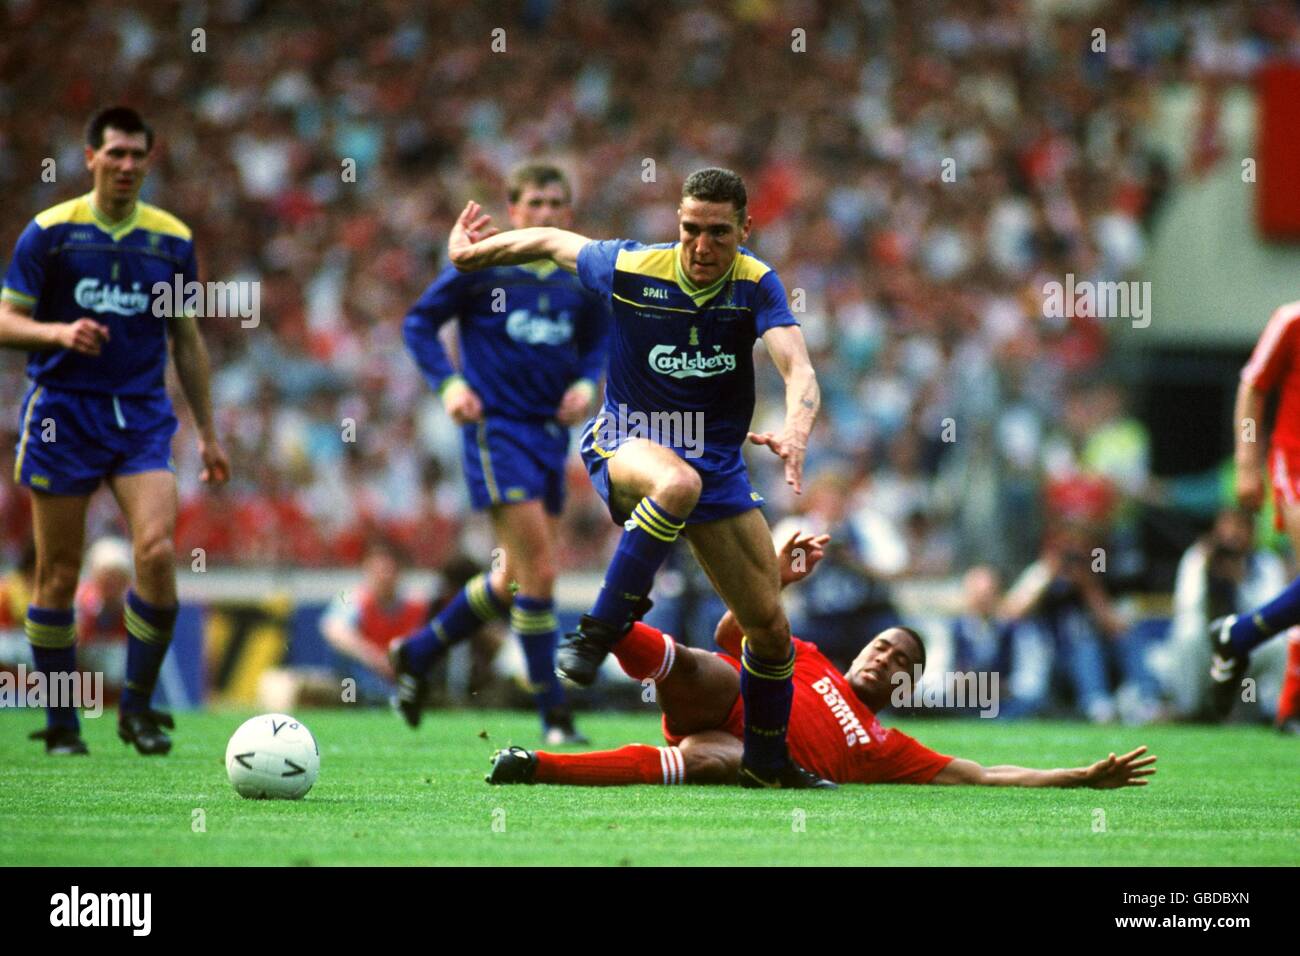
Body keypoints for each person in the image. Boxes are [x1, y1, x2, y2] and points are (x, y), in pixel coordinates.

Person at [445, 167, 825, 788]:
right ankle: (600, 629)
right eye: (690, 230)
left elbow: (799, 368)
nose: (702, 249)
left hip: (718, 466)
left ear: (746, 229)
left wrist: (796, 430)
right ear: (677, 223)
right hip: (630, 441)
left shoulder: (757, 285)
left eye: (719, 235)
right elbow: (547, 241)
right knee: (675, 486)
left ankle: (766, 763)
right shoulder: (631, 267)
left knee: (771, 631)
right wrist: (470, 256)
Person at [485, 532, 1157, 789]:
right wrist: (776, 578)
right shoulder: (810, 657)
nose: (883, 654)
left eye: (898, 657)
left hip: (741, 750)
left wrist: (1077, 776)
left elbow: (983, 775)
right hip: (728, 700)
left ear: (905, 682)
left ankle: (534, 767)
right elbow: (732, 628)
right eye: (881, 643)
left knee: (701, 765)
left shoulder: (885, 744)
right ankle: (598, 626)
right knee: (703, 664)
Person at [0, 106, 229, 755]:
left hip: (140, 415)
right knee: (57, 573)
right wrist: (56, 332)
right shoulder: (50, 233)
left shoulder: (170, 240)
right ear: (90, 156)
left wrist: (209, 433)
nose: (127, 165)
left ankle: (137, 708)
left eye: (138, 155)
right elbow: (4, 320)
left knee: (154, 552)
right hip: (64, 411)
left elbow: (187, 340)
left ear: (148, 162)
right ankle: (63, 722)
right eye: (116, 154)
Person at [390, 163, 609, 744]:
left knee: (514, 577)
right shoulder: (482, 265)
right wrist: (449, 384)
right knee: (540, 573)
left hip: (550, 435)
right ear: (514, 211)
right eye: (534, 202)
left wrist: (588, 385)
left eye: (555, 203)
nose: (545, 212)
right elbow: (419, 324)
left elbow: (597, 344)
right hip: (496, 430)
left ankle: (415, 653)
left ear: (568, 211)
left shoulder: (580, 276)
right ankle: (554, 716)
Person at [1211, 301, 1300, 733]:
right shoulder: (1291, 320)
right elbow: (1253, 386)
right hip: (1294, 462)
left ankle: (1240, 635)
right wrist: (1248, 461)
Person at [1164, 507, 1289, 721]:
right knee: (1188, 634)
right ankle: (1191, 711)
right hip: (1206, 648)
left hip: (1245, 650)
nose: (1233, 534)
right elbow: (1188, 608)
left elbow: (1271, 616)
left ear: (1252, 533)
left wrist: (1240, 582)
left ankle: (1280, 712)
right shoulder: (1198, 557)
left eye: (1241, 527)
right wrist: (1206, 570)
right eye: (1227, 526)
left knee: (1280, 643)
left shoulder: (1266, 563)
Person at [320, 539, 427, 703]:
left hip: (403, 671)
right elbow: (333, 630)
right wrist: (376, 658)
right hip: (365, 671)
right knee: (347, 661)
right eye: (379, 569)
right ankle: (353, 702)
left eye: (389, 569)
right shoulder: (352, 599)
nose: (384, 576)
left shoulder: (416, 603)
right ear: (367, 569)